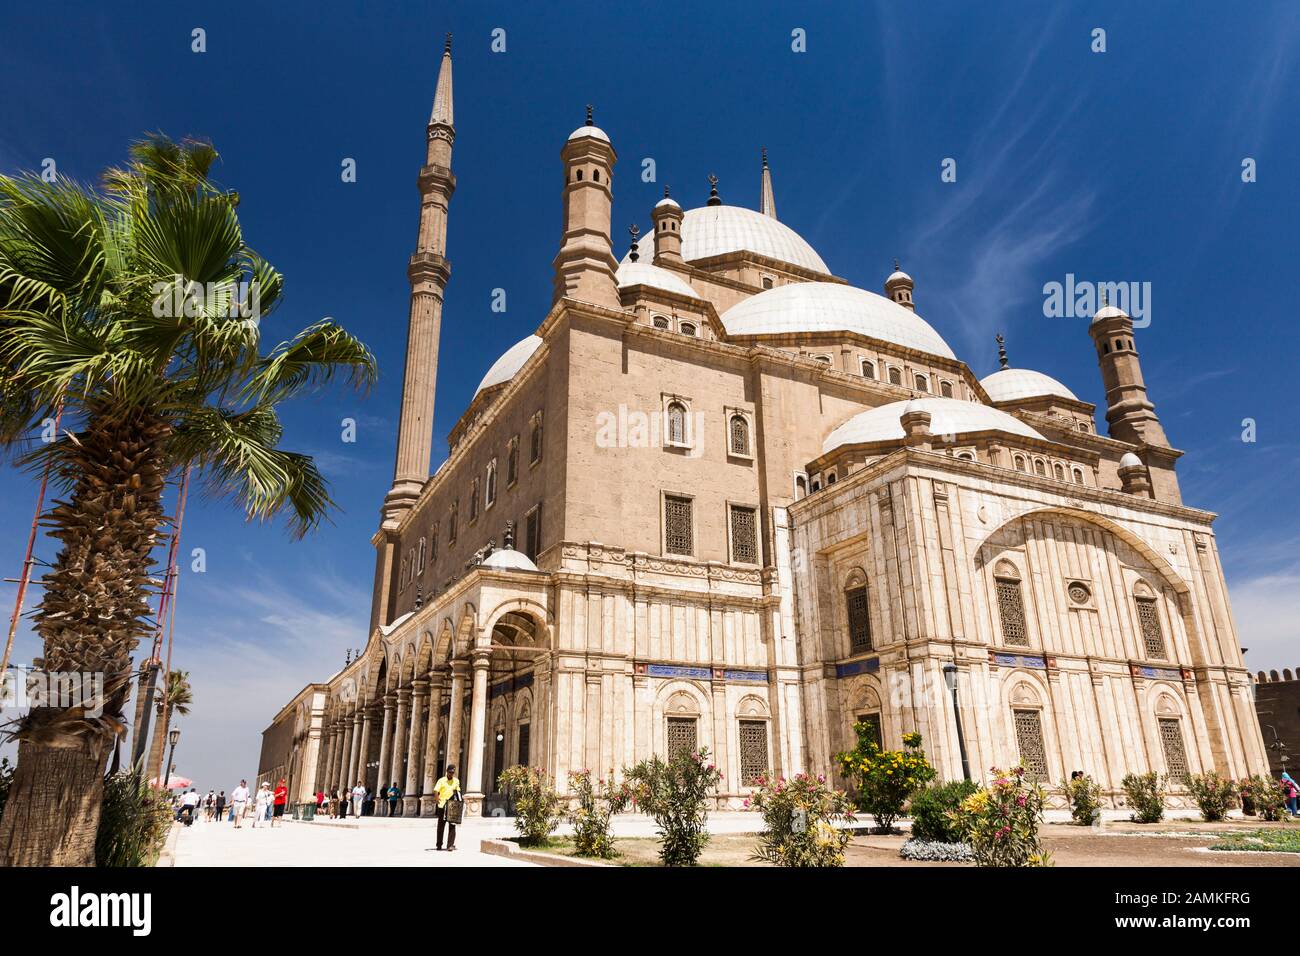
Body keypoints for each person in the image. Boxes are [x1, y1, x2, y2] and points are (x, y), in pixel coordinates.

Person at [433, 764, 461, 851]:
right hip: (442, 805)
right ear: (447, 772)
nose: (451, 774)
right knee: (441, 826)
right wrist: (437, 799)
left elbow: (457, 791)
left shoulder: (456, 781)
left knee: (452, 825)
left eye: (452, 773)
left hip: (452, 805)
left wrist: (459, 802)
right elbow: (436, 791)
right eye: (449, 772)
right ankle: (439, 844)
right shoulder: (441, 780)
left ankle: (450, 845)